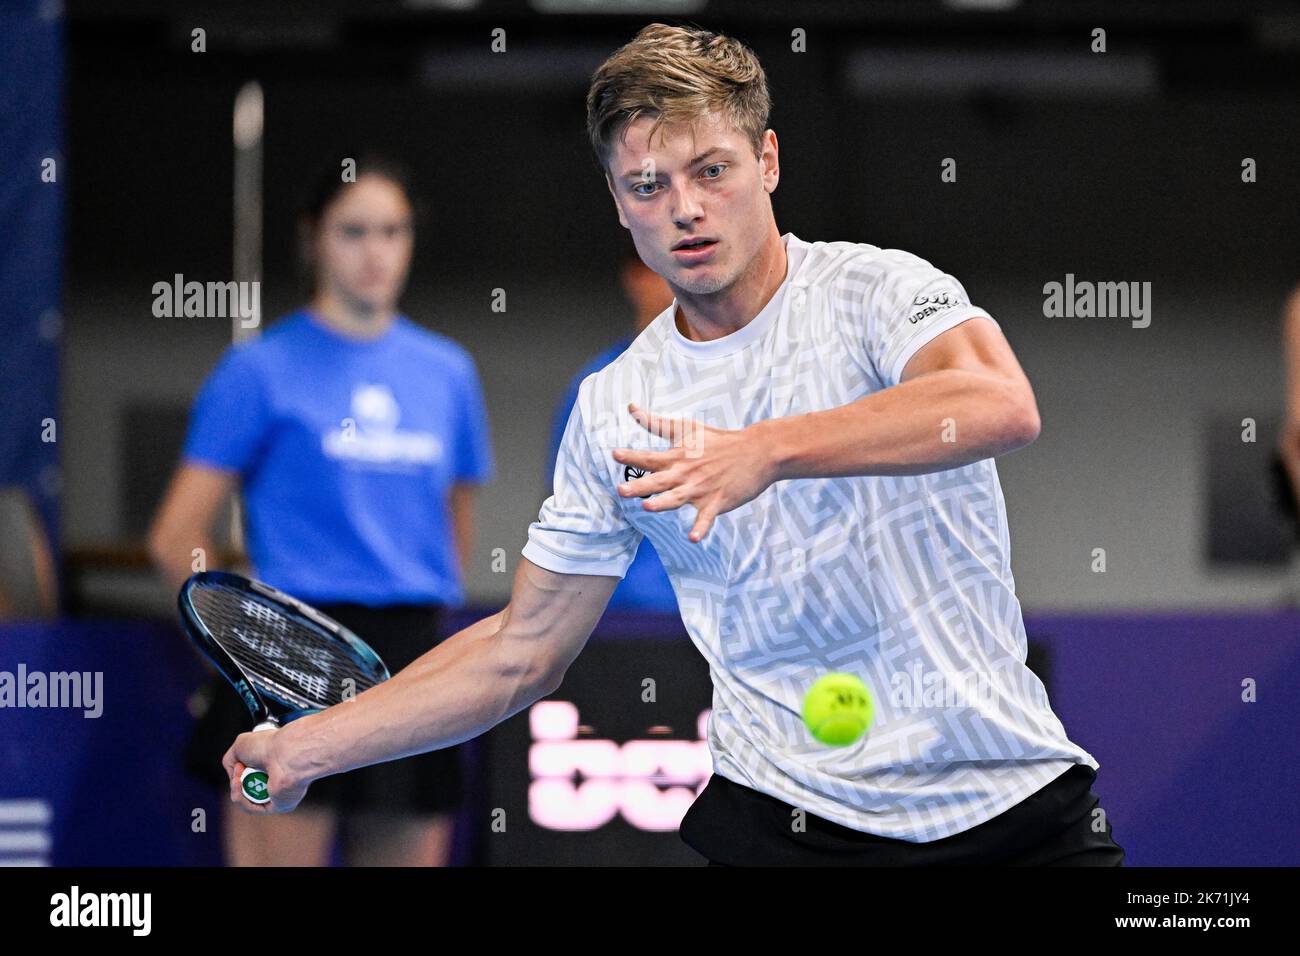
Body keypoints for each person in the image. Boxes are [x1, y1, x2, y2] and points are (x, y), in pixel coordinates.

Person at [220, 25, 1125, 867]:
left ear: (768, 161)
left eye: (712, 170)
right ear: (619, 203)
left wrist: (767, 449)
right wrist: (306, 746)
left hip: (1011, 807)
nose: (685, 209)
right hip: (783, 820)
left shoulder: (877, 291)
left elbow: (998, 402)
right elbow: (521, 650)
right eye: (648, 186)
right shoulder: (615, 406)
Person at [148, 156, 494, 866]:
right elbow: (175, 535)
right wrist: (237, 648)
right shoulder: (258, 369)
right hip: (290, 652)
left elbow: (454, 523)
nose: (376, 252)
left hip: (411, 658)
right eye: (354, 232)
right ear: (313, 239)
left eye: (393, 231)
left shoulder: (449, 372)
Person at [546, 254, 676, 611]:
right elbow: (565, 514)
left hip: (712, 617)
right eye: (660, 270)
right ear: (635, 279)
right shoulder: (594, 388)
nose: (675, 285)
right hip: (614, 614)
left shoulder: (736, 379)